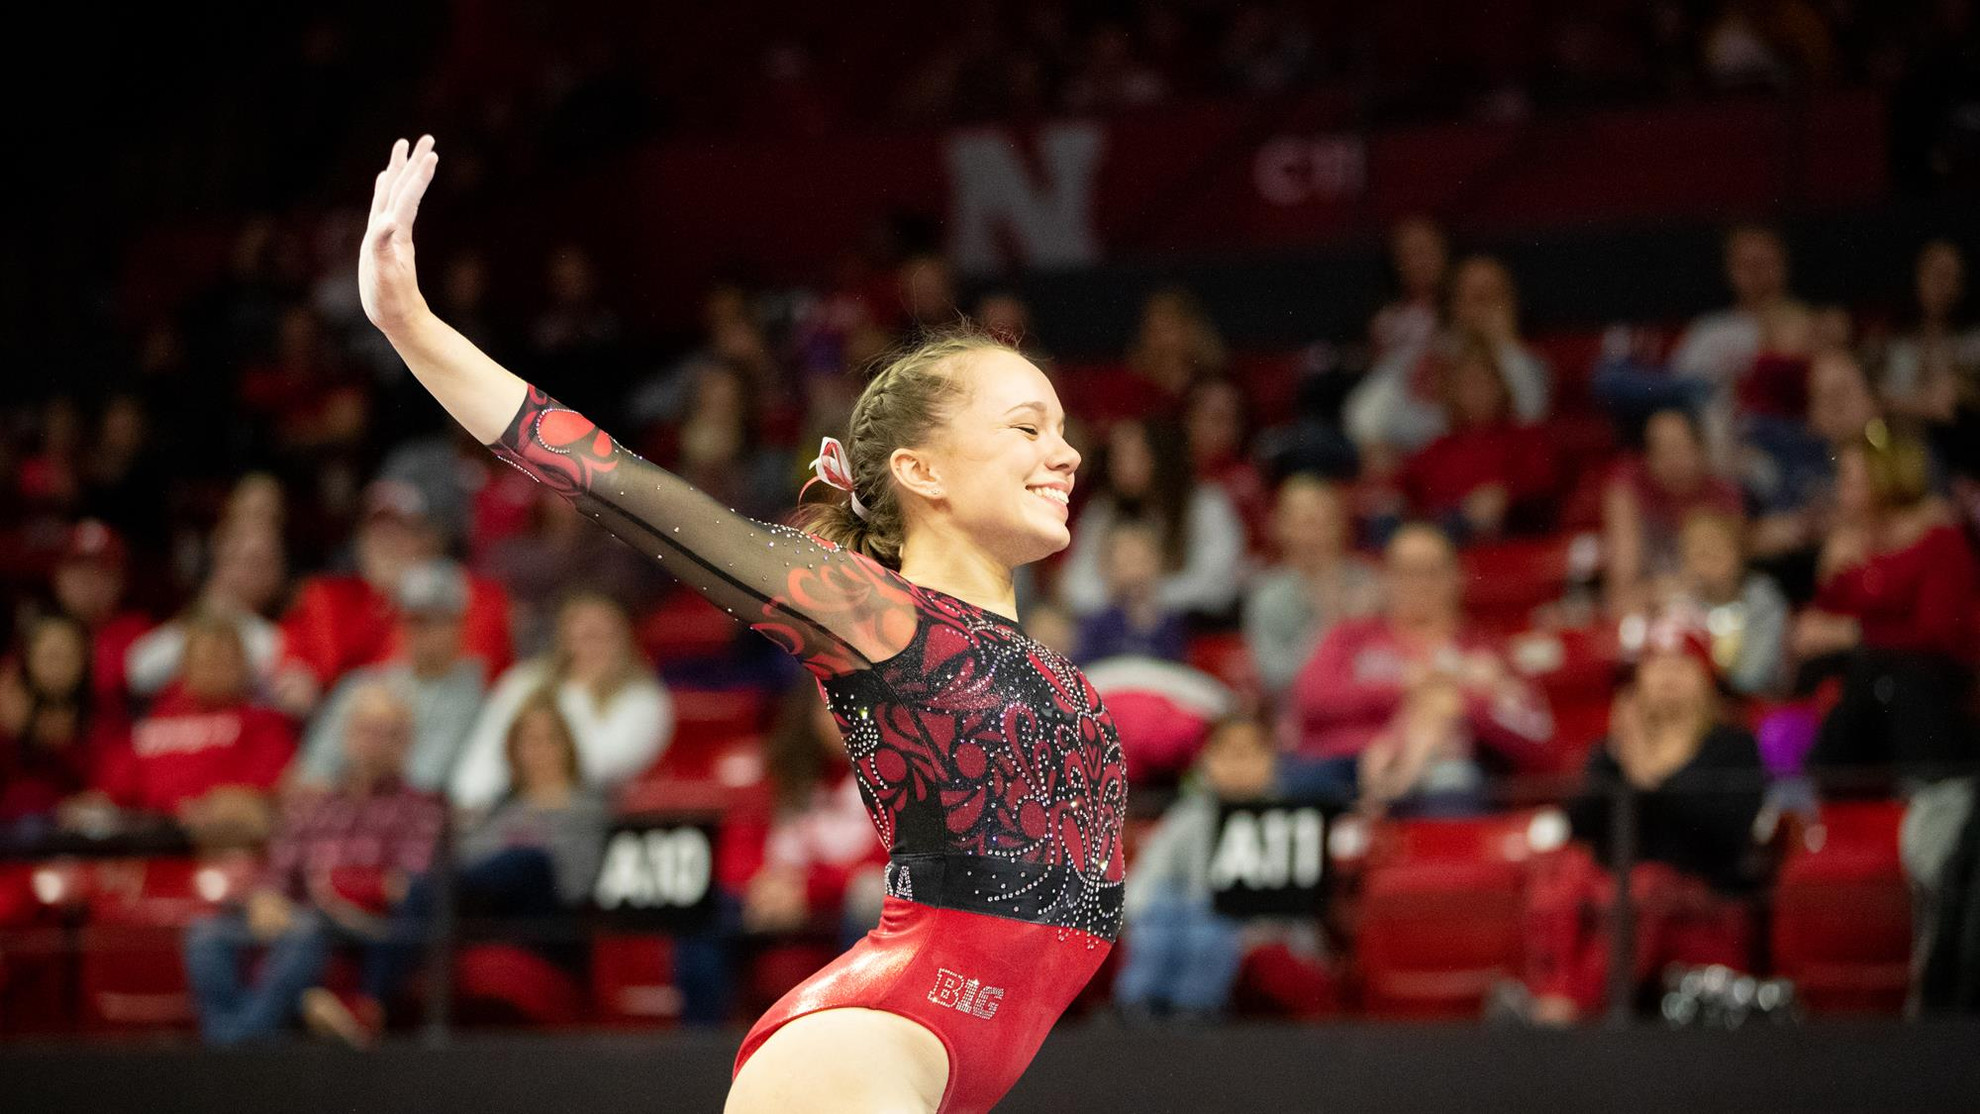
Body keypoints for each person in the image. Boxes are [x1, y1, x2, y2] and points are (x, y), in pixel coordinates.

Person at [359, 135, 1126, 1113]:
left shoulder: (1028, 651)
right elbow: (615, 480)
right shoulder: (872, 613)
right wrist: (411, 323)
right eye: (1026, 427)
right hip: (870, 1043)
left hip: (964, 1055)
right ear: (922, 470)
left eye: (1062, 429)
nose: (1063, 453)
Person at [1507, 618, 1765, 1024]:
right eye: (1656, 663)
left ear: (1706, 679)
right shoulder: (1611, 753)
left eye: (1681, 664)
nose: (1666, 676)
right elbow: (1579, 823)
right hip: (1618, 897)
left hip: (1699, 902)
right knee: (1560, 874)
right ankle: (1552, 998)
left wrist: (1644, 773)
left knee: (1645, 888)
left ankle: (1581, 1012)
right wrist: (1620, 754)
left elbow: (1721, 832)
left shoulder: (1730, 746)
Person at [182, 682, 444, 1047]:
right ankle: (235, 1041)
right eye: (365, 729)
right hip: (296, 917)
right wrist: (265, 898)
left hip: (358, 926)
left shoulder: (421, 809)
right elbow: (279, 869)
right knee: (206, 933)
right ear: (347, 734)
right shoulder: (315, 805)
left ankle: (238, 1052)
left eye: (389, 732)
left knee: (304, 930)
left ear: (406, 743)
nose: (374, 741)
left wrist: (333, 891)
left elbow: (404, 884)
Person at [1286, 523, 1552, 815]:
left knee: (1452, 780)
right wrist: (1403, 688)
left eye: (1431, 571)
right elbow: (1312, 699)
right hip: (1341, 769)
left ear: (1456, 576)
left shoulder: (1483, 649)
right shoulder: (1350, 637)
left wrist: (1464, 703)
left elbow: (1538, 736)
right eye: (1405, 571)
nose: (1419, 583)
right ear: (1386, 577)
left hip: (1445, 778)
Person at [448, 591, 672, 812]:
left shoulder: (643, 698)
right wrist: (471, 803)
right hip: (510, 810)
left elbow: (597, 764)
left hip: (589, 815)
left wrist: (580, 692)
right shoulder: (525, 681)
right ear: (563, 639)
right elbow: (487, 748)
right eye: (582, 636)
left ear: (623, 639)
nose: (592, 648)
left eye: (601, 636)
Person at [1114, 716, 1276, 1023]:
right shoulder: (1187, 818)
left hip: (1247, 926)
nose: (1238, 764)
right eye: (1227, 752)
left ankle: (1196, 1009)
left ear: (1271, 759)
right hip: (1182, 922)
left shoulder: (1288, 821)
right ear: (1206, 760)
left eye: (1249, 752)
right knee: (1160, 914)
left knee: (1210, 925)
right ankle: (1136, 1007)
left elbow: (1291, 903)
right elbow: (1146, 881)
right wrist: (1144, 913)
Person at [292, 559, 485, 793]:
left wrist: (370, 756)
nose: (423, 631)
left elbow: (426, 780)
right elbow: (312, 772)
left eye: (438, 619)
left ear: (461, 622)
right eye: (415, 619)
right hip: (338, 811)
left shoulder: (473, 689)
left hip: (413, 818)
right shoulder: (361, 683)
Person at [443, 693, 608, 964]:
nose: (541, 750)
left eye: (551, 739)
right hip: (487, 917)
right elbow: (464, 857)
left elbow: (576, 884)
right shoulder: (499, 807)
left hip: (549, 925)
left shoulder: (588, 809)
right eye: (530, 741)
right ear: (513, 751)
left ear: (569, 746)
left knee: (527, 861)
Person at [1056, 416, 1247, 619]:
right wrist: (1120, 599)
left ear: (1162, 457)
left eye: (1134, 456)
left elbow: (1218, 584)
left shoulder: (1206, 504)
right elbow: (1074, 583)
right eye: (1117, 456)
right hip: (1114, 622)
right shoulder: (1104, 509)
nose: (1121, 466)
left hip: (1195, 626)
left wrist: (1151, 596)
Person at [1241, 475, 1380, 702]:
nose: (1315, 533)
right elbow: (1275, 677)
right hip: (1300, 718)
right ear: (1281, 526)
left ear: (1341, 525)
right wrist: (1331, 624)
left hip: (1368, 708)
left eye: (1325, 520)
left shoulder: (1368, 582)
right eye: (1305, 522)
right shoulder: (1267, 595)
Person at [126, 519, 289, 700]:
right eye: (245, 561)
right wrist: (202, 619)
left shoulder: (293, 615)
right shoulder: (196, 619)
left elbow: (278, 657)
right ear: (220, 566)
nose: (254, 573)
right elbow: (139, 672)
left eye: (266, 563)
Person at [1602, 408, 1744, 614]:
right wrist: (1672, 590)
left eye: (1680, 448)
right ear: (1648, 458)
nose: (1673, 461)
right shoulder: (1629, 490)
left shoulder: (1724, 495)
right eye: (1661, 451)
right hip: (1653, 610)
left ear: (1701, 449)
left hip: (1712, 609)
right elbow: (1621, 593)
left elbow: (1729, 581)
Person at [1649, 511, 1789, 698]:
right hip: (1696, 701)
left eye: (1715, 549)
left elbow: (1754, 677)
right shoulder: (1679, 605)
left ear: (1739, 553)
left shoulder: (1763, 602)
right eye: (1698, 552)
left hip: (1755, 704)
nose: (1706, 561)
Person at [1071, 518, 1189, 665]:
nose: (1134, 573)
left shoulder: (1173, 625)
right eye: (1124, 563)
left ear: (1159, 563)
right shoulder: (1095, 626)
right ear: (1105, 568)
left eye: (1141, 561)